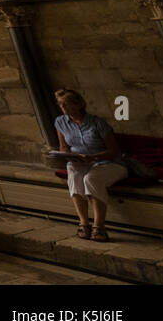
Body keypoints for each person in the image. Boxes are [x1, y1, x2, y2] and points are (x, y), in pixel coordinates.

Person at [53, 88, 129, 242]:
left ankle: (99, 227)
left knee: (91, 179)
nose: (64, 108)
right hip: (80, 162)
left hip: (108, 163)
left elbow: (113, 151)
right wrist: (67, 156)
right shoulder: (60, 122)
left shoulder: (97, 123)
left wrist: (92, 157)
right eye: (61, 105)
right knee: (73, 172)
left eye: (67, 104)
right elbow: (64, 147)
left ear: (79, 104)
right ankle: (84, 223)